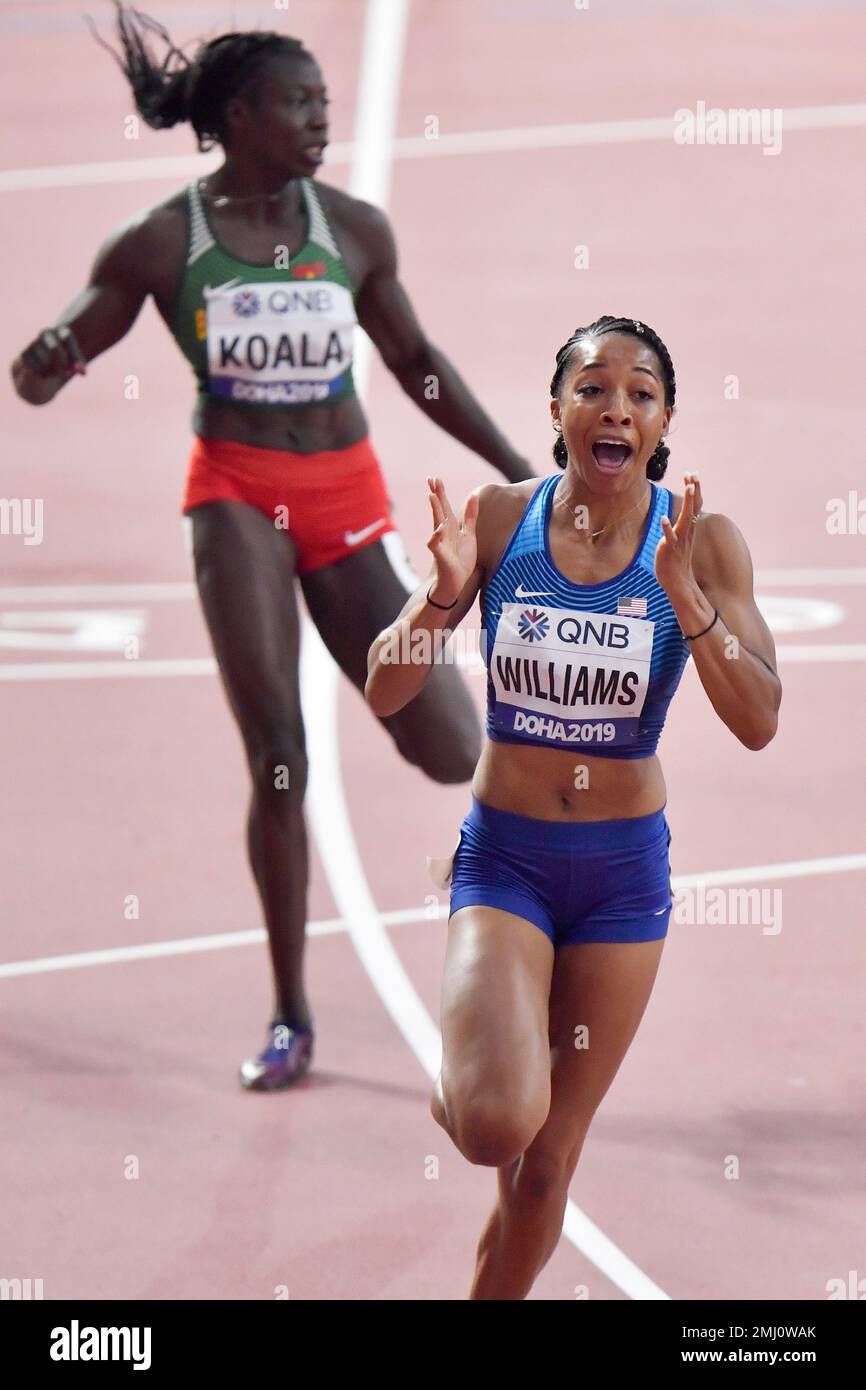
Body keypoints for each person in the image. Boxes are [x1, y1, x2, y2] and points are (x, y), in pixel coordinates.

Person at [10, 4, 534, 1091]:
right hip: (237, 497)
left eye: (323, 105)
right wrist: (50, 358)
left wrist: (514, 463)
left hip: (341, 493)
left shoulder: (351, 229)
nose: (317, 120)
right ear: (238, 116)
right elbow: (52, 358)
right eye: (297, 104)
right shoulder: (162, 242)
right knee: (279, 756)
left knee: (447, 747)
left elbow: (415, 363)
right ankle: (292, 1012)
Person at [366, 314, 782, 1299]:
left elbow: (759, 716)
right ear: (556, 409)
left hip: (618, 881)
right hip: (505, 859)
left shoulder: (700, 543)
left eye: (640, 392)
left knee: (546, 1164)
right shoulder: (502, 520)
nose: (615, 407)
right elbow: (385, 689)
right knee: (494, 1127)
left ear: (663, 419)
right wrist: (437, 598)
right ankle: (470, 1075)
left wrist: (689, 603)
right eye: (592, 386)